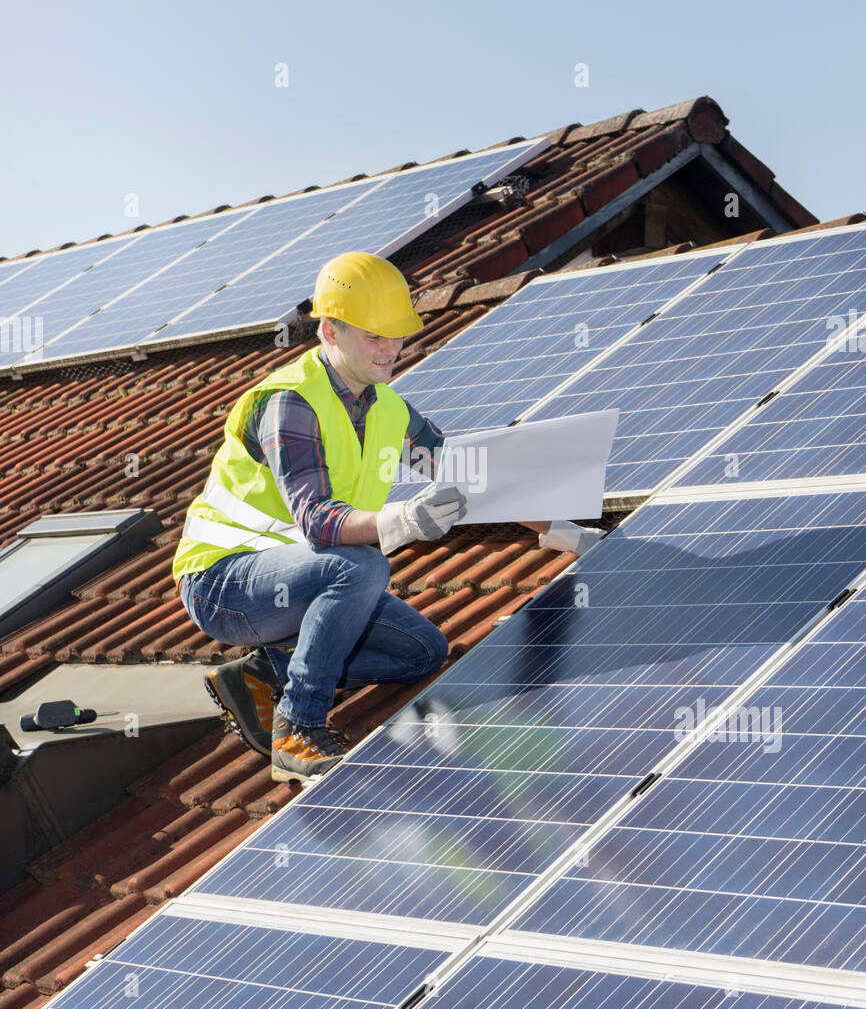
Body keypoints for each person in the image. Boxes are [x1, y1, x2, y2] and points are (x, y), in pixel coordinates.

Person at [173, 251, 601, 783]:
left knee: (424, 652)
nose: (390, 349)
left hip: (298, 576)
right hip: (224, 582)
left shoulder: (389, 409)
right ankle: (298, 725)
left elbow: (470, 476)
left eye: (396, 335)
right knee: (361, 567)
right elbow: (317, 521)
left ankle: (265, 674)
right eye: (375, 337)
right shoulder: (290, 403)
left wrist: (564, 532)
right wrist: (400, 520)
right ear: (330, 331)